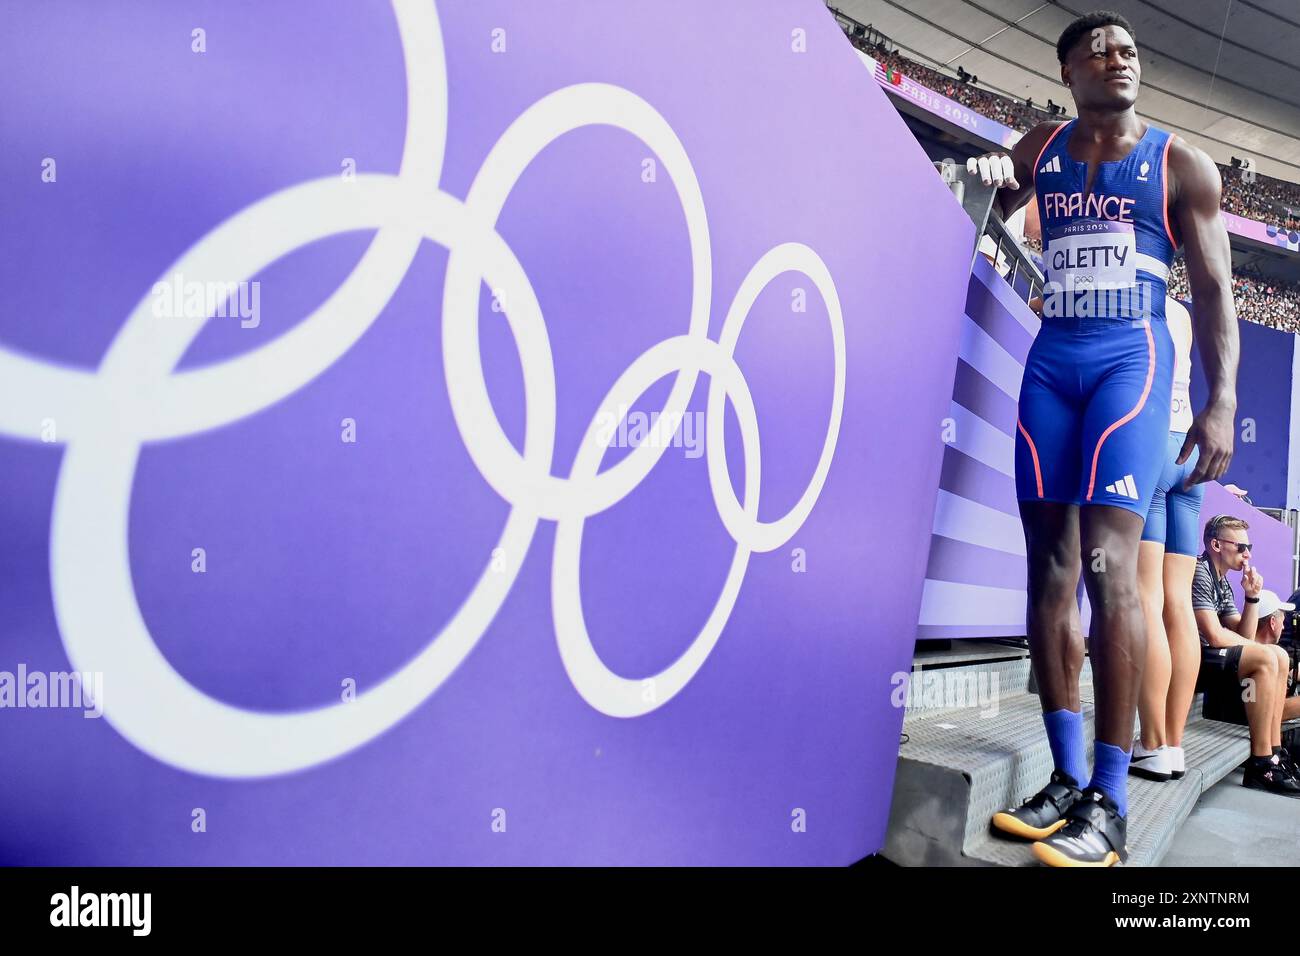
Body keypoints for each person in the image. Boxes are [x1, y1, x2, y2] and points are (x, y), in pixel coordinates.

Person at [980, 10, 1238, 865]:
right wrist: (990, 176)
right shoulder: (1041, 147)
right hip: (1052, 367)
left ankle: (1112, 800)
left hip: (1129, 369)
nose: (1116, 59)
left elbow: (1211, 291)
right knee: (1048, 571)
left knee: (1108, 572)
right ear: (1067, 72)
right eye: (1097, 50)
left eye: (1128, 50)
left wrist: (1218, 401)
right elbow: (996, 199)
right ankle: (1064, 778)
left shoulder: (1180, 164)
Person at [1130, 297, 1202, 782]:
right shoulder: (1182, 309)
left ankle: (1152, 743)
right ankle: (1173, 744)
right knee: (1178, 600)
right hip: (1190, 450)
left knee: (1146, 598)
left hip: (1155, 441)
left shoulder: (1135, 288)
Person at [1192, 519, 1300, 796]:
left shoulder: (1223, 582)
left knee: (1278, 654)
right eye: (1241, 547)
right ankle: (1261, 762)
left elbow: (1244, 635)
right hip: (1191, 660)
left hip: (1212, 657)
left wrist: (1251, 597)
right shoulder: (1199, 571)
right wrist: (1259, 650)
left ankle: (1274, 752)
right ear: (1216, 545)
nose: (1248, 554)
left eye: (1248, 547)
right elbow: (1215, 636)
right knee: (1267, 656)